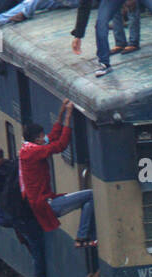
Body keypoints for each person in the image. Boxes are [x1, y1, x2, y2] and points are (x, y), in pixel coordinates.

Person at [19, 100, 96, 248]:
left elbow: (52, 136)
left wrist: (61, 113)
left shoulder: (28, 148)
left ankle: (85, 237)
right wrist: (68, 117)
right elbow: (60, 145)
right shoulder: (35, 152)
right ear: (36, 139)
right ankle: (82, 237)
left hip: (45, 204)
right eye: (42, 136)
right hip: (49, 205)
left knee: (88, 200)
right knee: (91, 195)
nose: (45, 138)